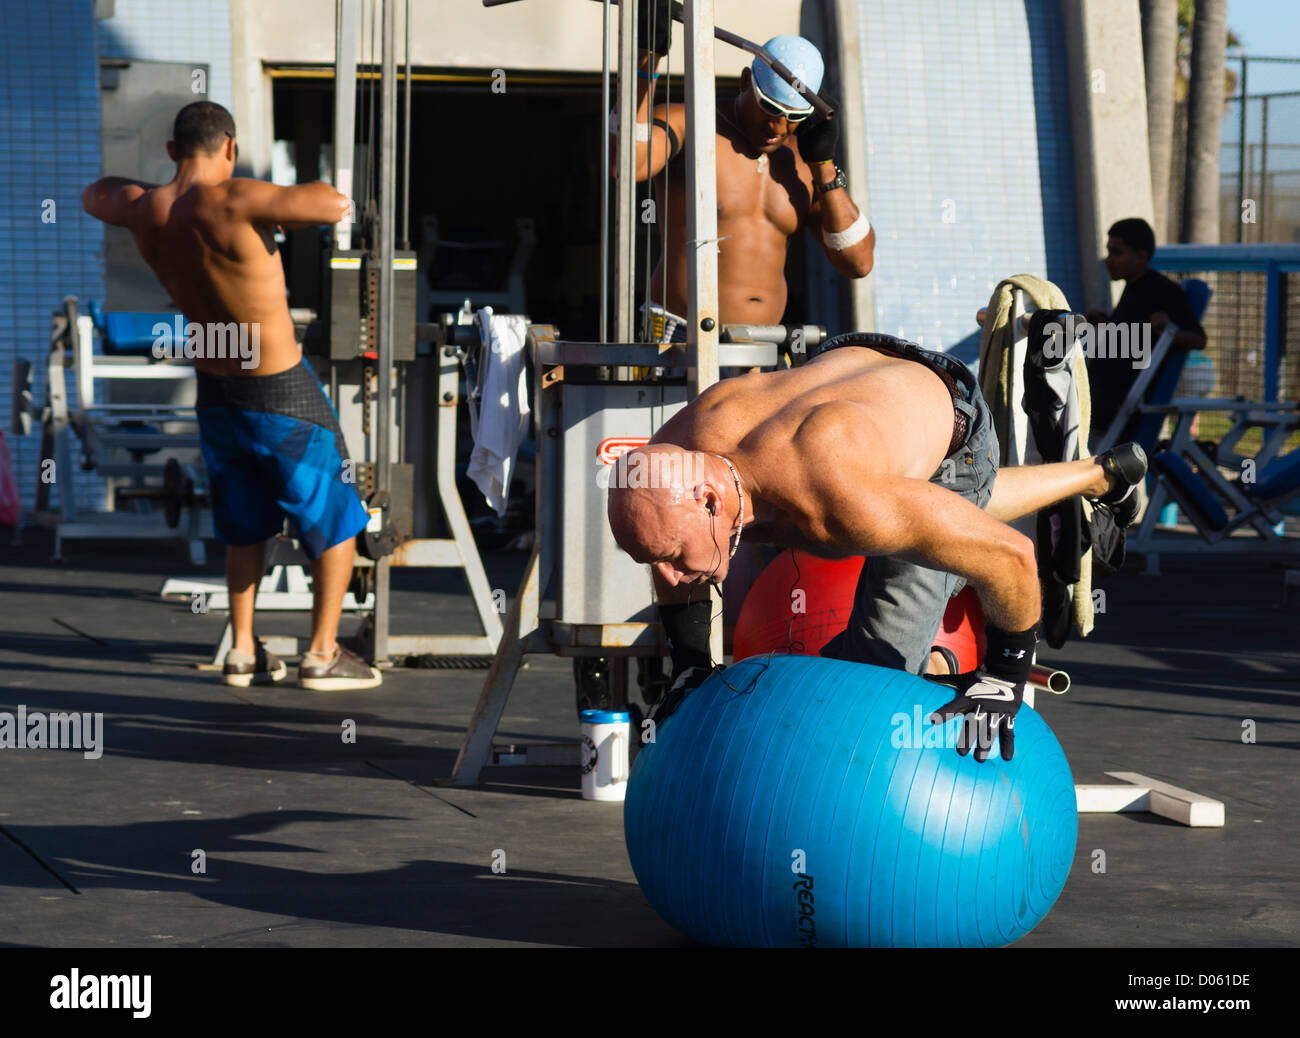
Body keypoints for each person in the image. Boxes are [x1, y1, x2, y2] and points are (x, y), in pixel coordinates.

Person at [607, 332, 1146, 762]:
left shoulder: (835, 496)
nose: (669, 576)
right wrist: (690, 664)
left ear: (708, 501)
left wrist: (1003, 678)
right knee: (915, 517)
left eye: (675, 557)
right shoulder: (669, 463)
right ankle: (1100, 474)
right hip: (852, 368)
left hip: (948, 424)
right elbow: (659, 537)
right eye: (653, 558)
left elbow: (1009, 556)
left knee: (867, 681)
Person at [82, 101, 381, 691]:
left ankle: (243, 651)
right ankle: (321, 654)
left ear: (172, 151)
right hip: (280, 390)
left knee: (244, 522)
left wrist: (155, 190)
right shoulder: (237, 198)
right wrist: (266, 202)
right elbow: (332, 205)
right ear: (230, 147)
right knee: (338, 518)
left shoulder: (148, 210)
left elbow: (96, 193)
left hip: (216, 389)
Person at [624, 9, 873, 341]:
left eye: (794, 116)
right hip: (680, 338)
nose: (778, 127)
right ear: (745, 82)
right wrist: (646, 60)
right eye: (770, 107)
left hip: (764, 346)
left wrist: (824, 163)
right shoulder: (689, 123)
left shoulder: (801, 161)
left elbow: (858, 263)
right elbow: (627, 163)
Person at [1085, 217, 1208, 441]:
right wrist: (1104, 324)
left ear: (1141, 256)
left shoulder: (1163, 291)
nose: (1108, 260)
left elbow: (1198, 339)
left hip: (1121, 409)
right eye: (1108, 252)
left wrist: (1168, 330)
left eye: (1117, 253)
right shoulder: (1133, 287)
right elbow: (1130, 335)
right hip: (1104, 404)